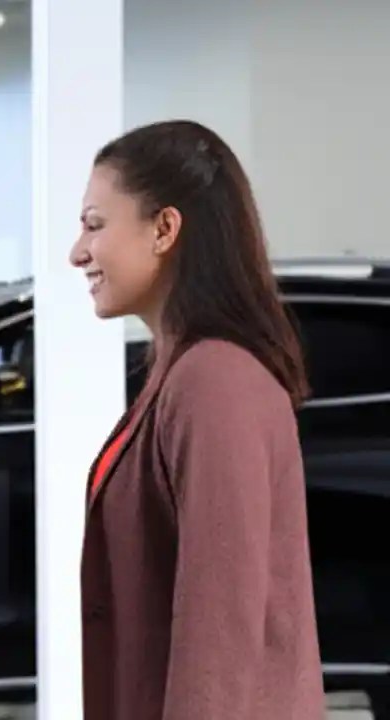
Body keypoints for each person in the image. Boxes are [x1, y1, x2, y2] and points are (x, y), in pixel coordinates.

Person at [71, 119, 325, 719]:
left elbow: (221, 635)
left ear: (164, 229)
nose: (78, 251)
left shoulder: (215, 381)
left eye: (95, 224)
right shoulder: (185, 371)